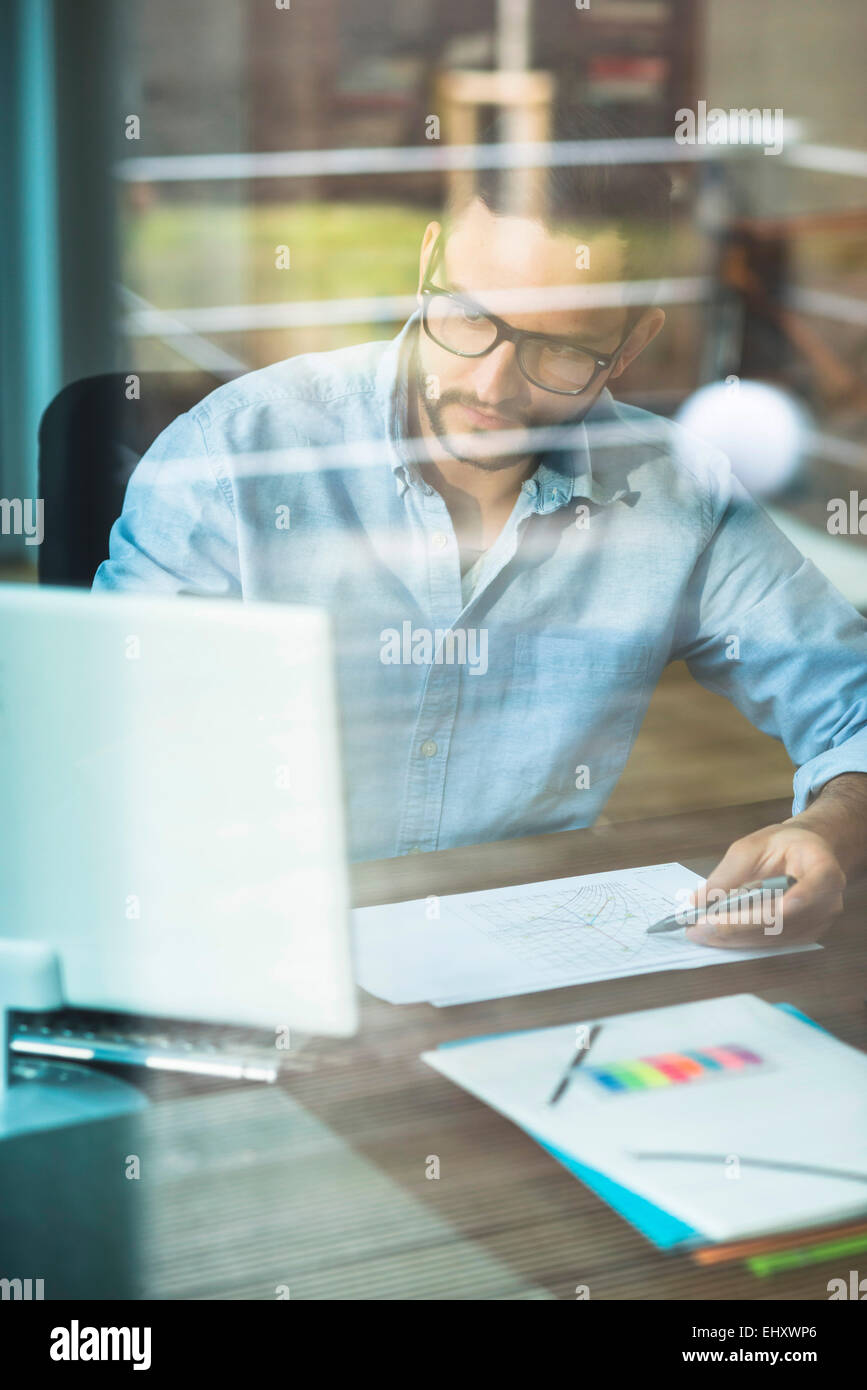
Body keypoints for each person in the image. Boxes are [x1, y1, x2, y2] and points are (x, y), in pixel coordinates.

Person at [93, 110, 867, 949]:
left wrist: (832, 830)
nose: (491, 386)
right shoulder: (238, 453)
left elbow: (851, 704)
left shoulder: (675, 493)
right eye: (465, 317)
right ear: (429, 263)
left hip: (522, 957)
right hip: (247, 939)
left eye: (559, 351)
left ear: (633, 343)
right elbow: (96, 740)